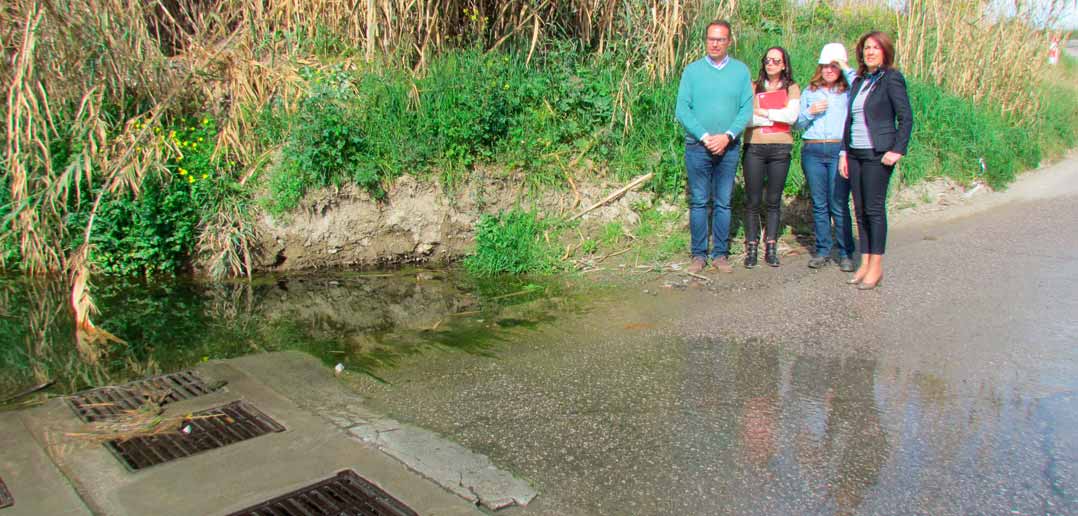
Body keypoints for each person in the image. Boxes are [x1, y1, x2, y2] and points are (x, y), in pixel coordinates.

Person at [675, 20, 753, 274]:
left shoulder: (740, 72)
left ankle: (720, 254)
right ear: (706, 40)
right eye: (711, 39)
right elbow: (682, 109)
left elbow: (746, 109)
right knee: (698, 202)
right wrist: (706, 136)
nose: (715, 43)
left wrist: (728, 136)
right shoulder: (692, 71)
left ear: (729, 41)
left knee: (723, 202)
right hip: (698, 146)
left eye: (720, 39)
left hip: (728, 148)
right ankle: (698, 255)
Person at [838, 31, 914, 290]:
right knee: (859, 210)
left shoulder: (891, 78)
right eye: (866, 48)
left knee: (874, 209)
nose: (869, 52)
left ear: (885, 52)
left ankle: (877, 267)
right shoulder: (860, 80)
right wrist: (844, 153)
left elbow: (906, 117)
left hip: (877, 153)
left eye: (875, 48)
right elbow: (850, 120)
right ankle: (865, 261)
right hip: (856, 152)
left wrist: (897, 149)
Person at [797, 43, 856, 272]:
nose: (829, 70)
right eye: (825, 66)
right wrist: (810, 112)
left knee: (838, 203)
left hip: (837, 150)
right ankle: (822, 250)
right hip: (812, 149)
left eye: (834, 66)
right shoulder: (810, 91)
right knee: (820, 204)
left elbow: (861, 85)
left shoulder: (849, 91)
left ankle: (845, 252)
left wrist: (845, 66)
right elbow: (798, 123)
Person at [741, 46, 799, 268]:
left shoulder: (791, 88)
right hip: (754, 147)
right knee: (752, 200)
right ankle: (752, 247)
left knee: (773, 201)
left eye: (776, 61)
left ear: (784, 64)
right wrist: (774, 118)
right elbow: (744, 118)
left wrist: (764, 113)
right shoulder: (753, 87)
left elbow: (791, 116)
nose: (771, 64)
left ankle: (771, 246)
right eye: (768, 60)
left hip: (780, 149)